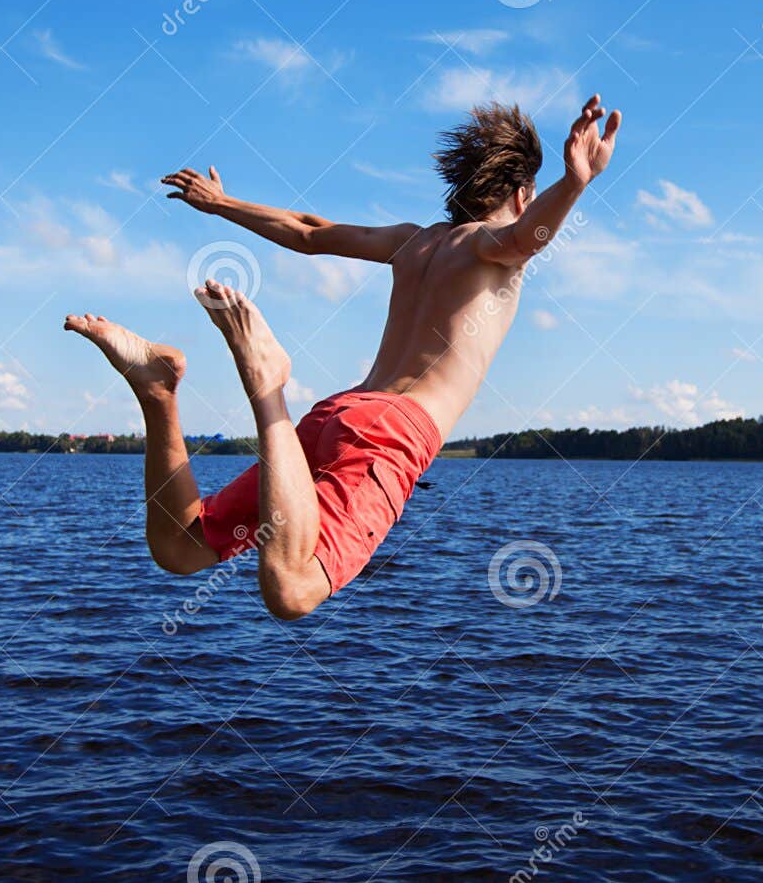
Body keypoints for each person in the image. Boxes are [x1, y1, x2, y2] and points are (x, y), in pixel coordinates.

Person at [64, 96, 621, 621]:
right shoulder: (489, 247)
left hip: (336, 415)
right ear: (523, 194)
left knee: (181, 546)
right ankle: (267, 384)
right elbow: (528, 237)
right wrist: (574, 184)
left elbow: (312, 233)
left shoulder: (413, 241)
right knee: (292, 589)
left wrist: (223, 204)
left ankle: (158, 392)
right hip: (395, 431)